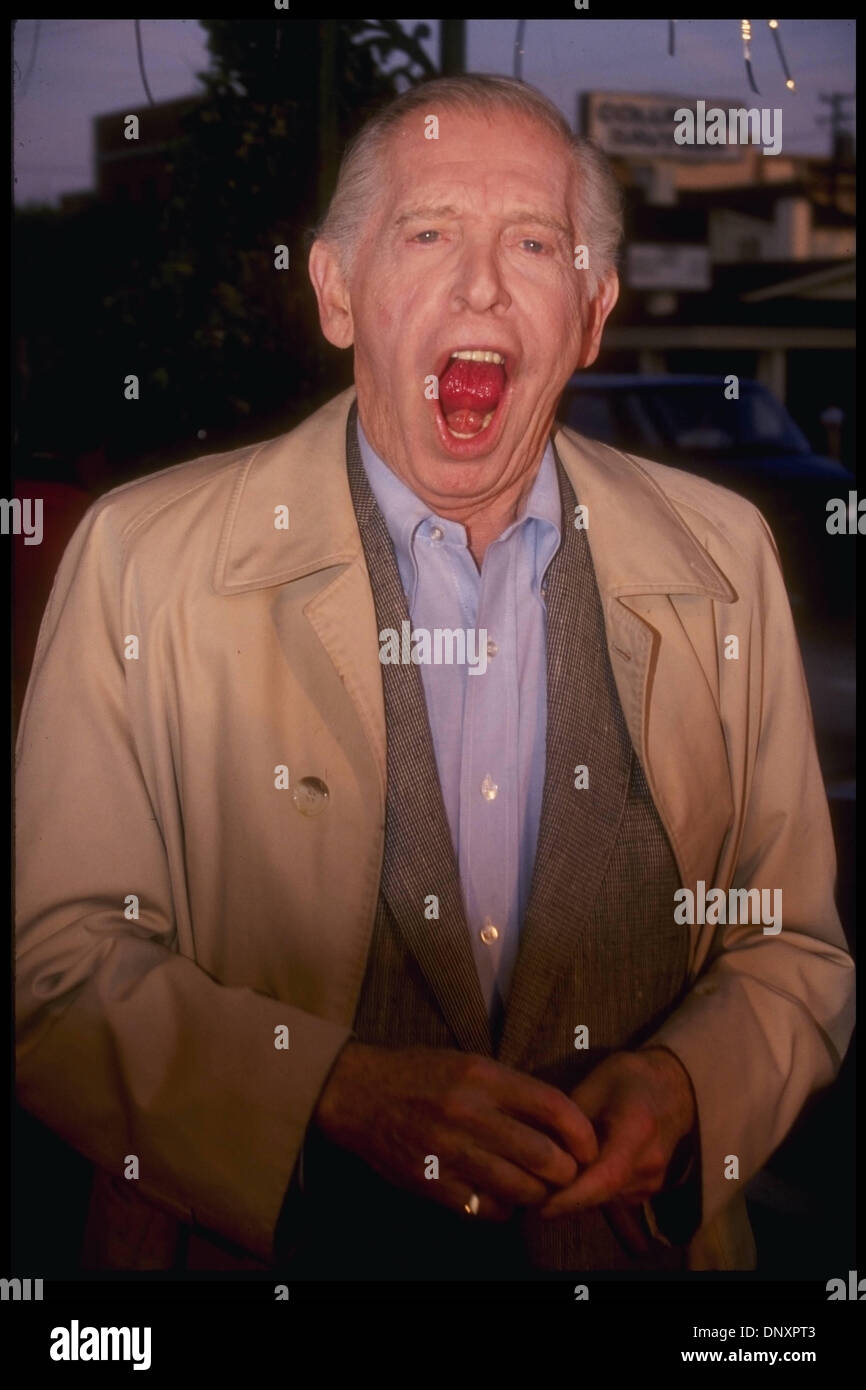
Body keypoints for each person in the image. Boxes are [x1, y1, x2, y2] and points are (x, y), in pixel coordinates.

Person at [15, 74, 854, 1278]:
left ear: (592, 313)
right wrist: (327, 1092)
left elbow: (792, 949)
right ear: (336, 292)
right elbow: (49, 969)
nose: (481, 286)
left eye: (533, 243)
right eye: (427, 234)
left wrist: (687, 1089)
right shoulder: (141, 559)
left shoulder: (723, 558)